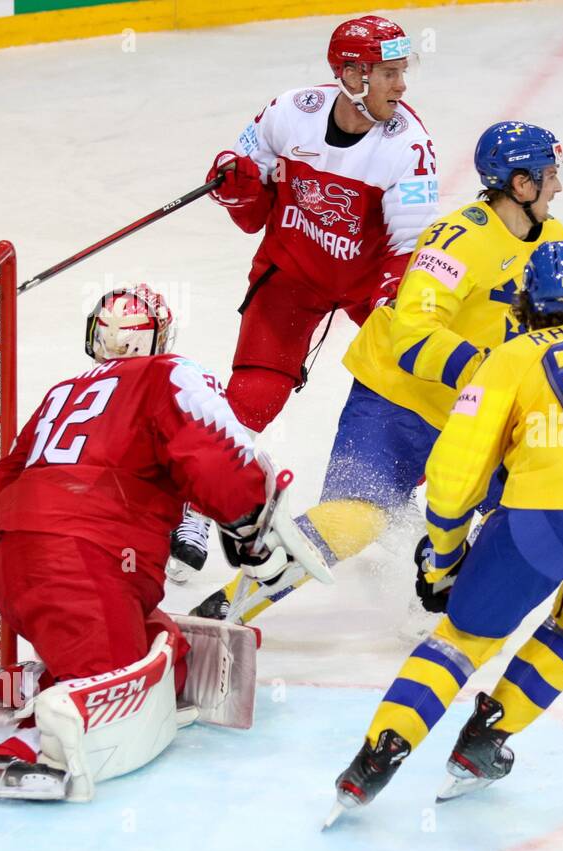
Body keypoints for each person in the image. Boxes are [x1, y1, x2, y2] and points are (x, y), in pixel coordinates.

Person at [322, 241, 563, 825]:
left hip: (547, 516)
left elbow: (453, 477)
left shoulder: (509, 356)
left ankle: (377, 759)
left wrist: (443, 561)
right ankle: (483, 743)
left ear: (523, 302)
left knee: (460, 642)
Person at [193, 121, 563, 624]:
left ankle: (450, 589)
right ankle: (219, 611)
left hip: (476, 412)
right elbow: (412, 335)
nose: (559, 185)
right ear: (521, 185)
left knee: (531, 510)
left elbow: (557, 321)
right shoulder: (456, 242)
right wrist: (487, 369)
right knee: (357, 517)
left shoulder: (555, 239)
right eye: (550, 174)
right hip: (399, 398)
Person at [0, 285, 330, 801]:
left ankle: (45, 674)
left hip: (21, 556)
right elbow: (216, 455)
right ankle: (32, 750)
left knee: (141, 641)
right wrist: (252, 523)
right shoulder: (169, 372)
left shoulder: (61, 393)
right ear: (158, 337)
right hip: (86, 559)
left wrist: (26, 559)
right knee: (114, 693)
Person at [169, 13, 439, 581]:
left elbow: (409, 249)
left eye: (400, 72)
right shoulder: (288, 112)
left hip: (369, 284)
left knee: (413, 381)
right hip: (293, 270)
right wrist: (238, 185)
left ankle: (390, 489)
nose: (402, 85)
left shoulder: (408, 147)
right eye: (389, 73)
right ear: (352, 75)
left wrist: (395, 306)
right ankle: (193, 506)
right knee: (254, 395)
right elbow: (251, 210)